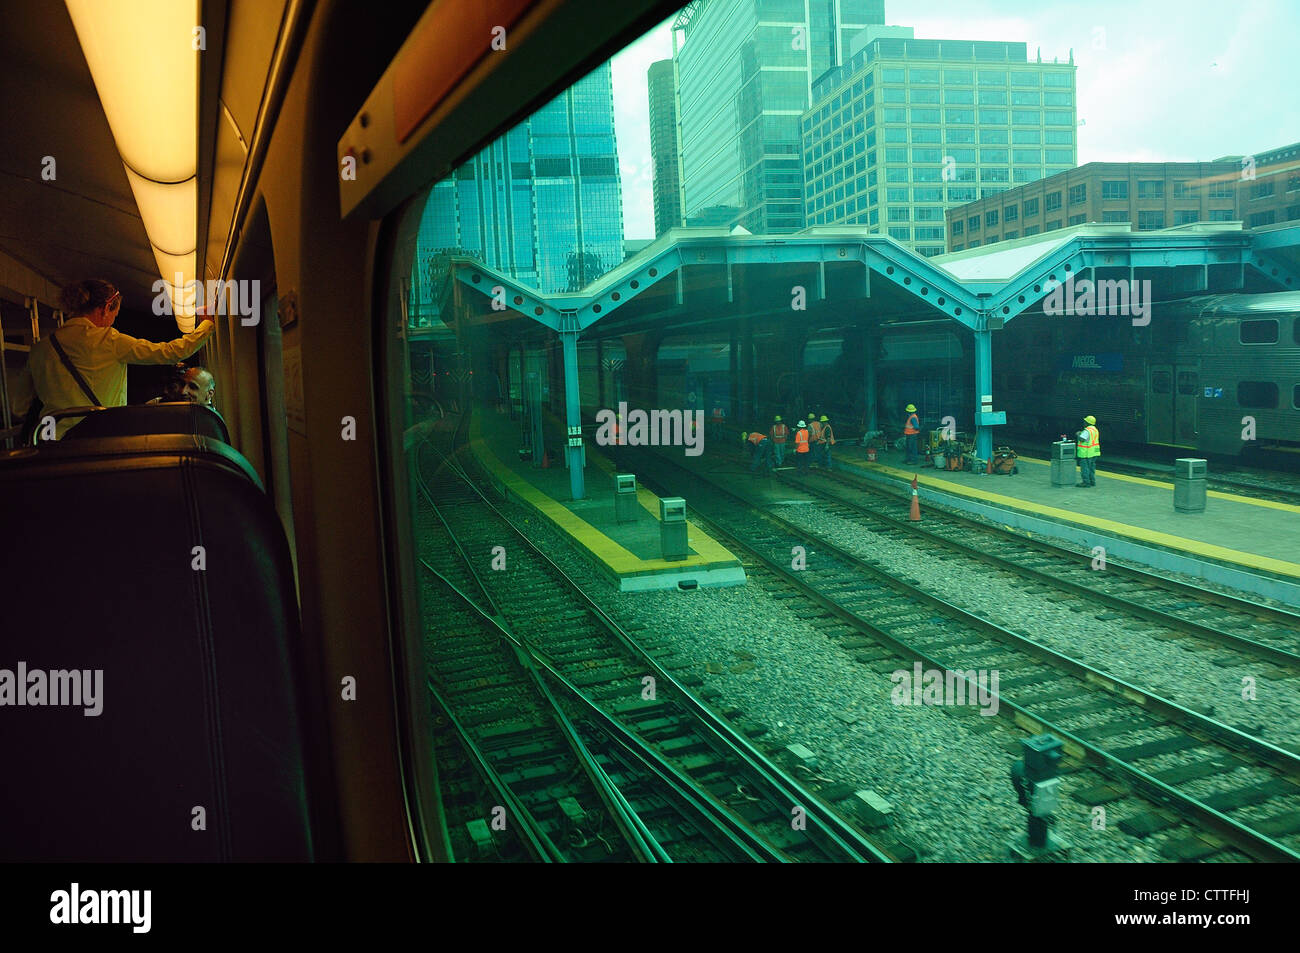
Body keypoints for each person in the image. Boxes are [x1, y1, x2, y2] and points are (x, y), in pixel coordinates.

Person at [29, 279, 215, 439]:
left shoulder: (41, 348)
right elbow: (171, 352)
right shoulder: (109, 340)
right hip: (99, 437)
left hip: (51, 438)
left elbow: (19, 406)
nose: (112, 321)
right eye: (114, 315)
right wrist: (207, 323)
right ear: (105, 309)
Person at [1076, 414, 1101, 487]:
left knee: (1085, 468)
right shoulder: (1095, 430)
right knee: (1092, 468)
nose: (1084, 423)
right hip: (1094, 453)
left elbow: (1082, 439)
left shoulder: (1087, 430)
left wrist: (1078, 434)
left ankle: (1086, 482)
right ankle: (1092, 481)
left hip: (1086, 453)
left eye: (1085, 421)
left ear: (1087, 423)